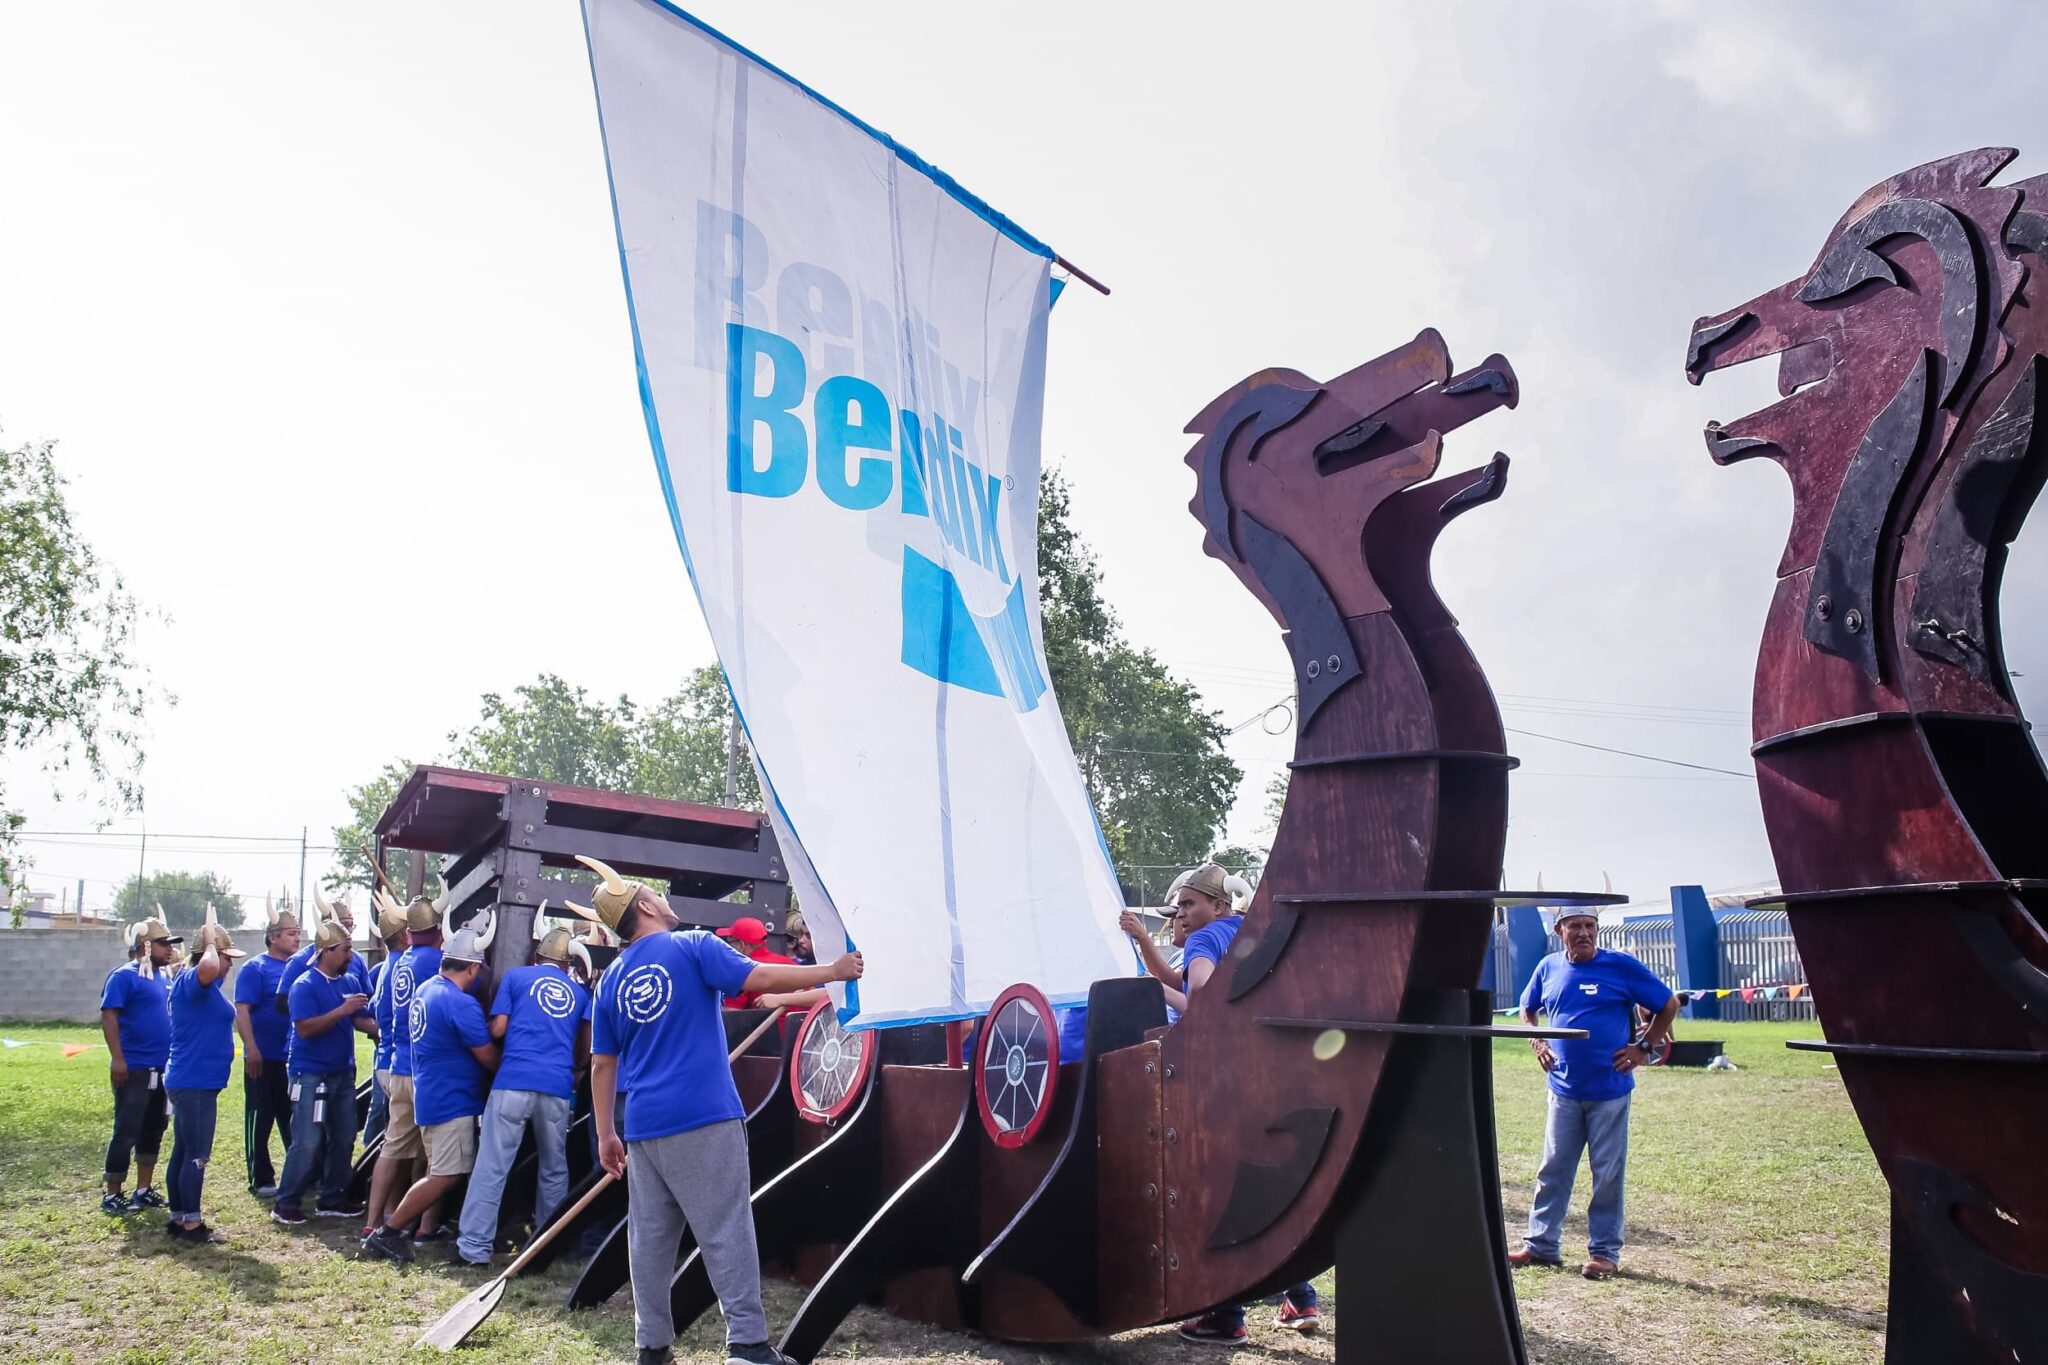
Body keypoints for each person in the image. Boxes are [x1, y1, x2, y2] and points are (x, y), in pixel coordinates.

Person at [574, 854, 863, 1365]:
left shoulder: (612, 978)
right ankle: (749, 1346)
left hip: (642, 1124)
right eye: (657, 894)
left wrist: (605, 1134)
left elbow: (602, 1065)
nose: (665, 899)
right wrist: (836, 972)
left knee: (650, 1244)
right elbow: (759, 979)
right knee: (727, 1229)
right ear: (644, 904)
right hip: (703, 1114)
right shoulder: (692, 945)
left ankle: (652, 1349)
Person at [1124, 864, 1320, 1341]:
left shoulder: (1203, 940)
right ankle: (1300, 1298)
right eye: (1180, 908)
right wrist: (1148, 951)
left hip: (1219, 1078)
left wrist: (1148, 990)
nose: (1183, 915)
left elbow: (1203, 1005)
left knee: (1216, 1192)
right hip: (1267, 1070)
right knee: (1261, 1186)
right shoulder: (1241, 931)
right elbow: (1186, 979)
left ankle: (1225, 1316)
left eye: (1190, 905)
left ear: (1218, 905)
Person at [1509, 905, 1680, 1280]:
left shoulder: (1620, 966)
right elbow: (1526, 1007)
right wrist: (1537, 1040)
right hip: (1563, 1089)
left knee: (1606, 1174)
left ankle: (1604, 1253)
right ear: (1559, 930)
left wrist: (1644, 1048)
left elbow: (1668, 1004)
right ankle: (1541, 1245)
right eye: (1575, 926)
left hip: (1609, 1090)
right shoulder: (1548, 968)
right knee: (1552, 1169)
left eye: (1590, 926)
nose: (1584, 933)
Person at [452, 917, 590, 1266]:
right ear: (567, 963)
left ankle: (473, 1248)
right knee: (554, 1168)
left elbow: (498, 1029)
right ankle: (545, 1247)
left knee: (492, 1165)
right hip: (557, 1085)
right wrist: (576, 1071)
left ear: (536, 957)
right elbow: (585, 1042)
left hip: (513, 1079)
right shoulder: (578, 992)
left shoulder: (516, 977)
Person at [363, 918, 500, 1264]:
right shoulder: (460, 1003)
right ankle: (389, 1232)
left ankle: (394, 1229)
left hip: (430, 1093)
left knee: (435, 1169)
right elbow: (486, 1056)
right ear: (471, 968)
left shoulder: (424, 991)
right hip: (451, 1099)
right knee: (445, 1175)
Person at [271, 918, 376, 1226]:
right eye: (345, 950)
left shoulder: (349, 982)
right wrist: (341, 1011)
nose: (350, 956)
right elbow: (305, 1028)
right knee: (307, 1140)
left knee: (343, 1136)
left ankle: (331, 1197)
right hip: (309, 1074)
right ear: (327, 951)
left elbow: (360, 1019)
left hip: (342, 1071)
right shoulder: (303, 985)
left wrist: (386, 1032)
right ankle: (285, 1201)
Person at [163, 912, 246, 1244]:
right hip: (193, 1082)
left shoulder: (201, 987)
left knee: (184, 1150)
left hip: (196, 1081)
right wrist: (211, 942)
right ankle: (191, 1225)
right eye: (228, 959)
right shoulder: (193, 981)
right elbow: (209, 966)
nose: (228, 966)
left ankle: (179, 1216)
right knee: (197, 1154)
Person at [365, 894, 444, 1237]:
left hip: (394, 1062)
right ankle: (424, 1227)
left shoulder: (396, 962)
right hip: (421, 1069)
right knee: (431, 1155)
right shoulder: (435, 959)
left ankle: (376, 1222)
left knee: (394, 1146)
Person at [100, 917, 181, 1215]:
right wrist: (118, 1058)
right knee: (127, 1129)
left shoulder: (164, 977)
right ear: (145, 946)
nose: (170, 950)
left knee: (154, 1129)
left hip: (162, 1068)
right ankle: (112, 1193)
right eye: (164, 944)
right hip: (134, 1066)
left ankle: (143, 1189)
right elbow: (109, 1016)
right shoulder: (124, 976)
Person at [235, 904, 299, 1196]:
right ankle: (260, 1177)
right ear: (273, 937)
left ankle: (297, 1174)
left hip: (291, 1058)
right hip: (262, 1057)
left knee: (291, 1117)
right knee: (260, 1118)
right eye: (291, 934)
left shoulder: (297, 967)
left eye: (298, 933)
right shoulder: (255, 968)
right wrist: (251, 1048)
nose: (297, 939)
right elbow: (243, 1010)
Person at [362, 892, 410, 1148]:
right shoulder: (407, 966)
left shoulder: (385, 966)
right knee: (394, 1134)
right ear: (405, 936)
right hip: (396, 1060)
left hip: (386, 1055)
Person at [717, 917, 796, 1010]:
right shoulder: (791, 964)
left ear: (742, 945)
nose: (728, 947)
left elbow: (730, 1015)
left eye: (730, 942)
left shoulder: (742, 970)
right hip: (804, 1023)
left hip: (766, 1024)